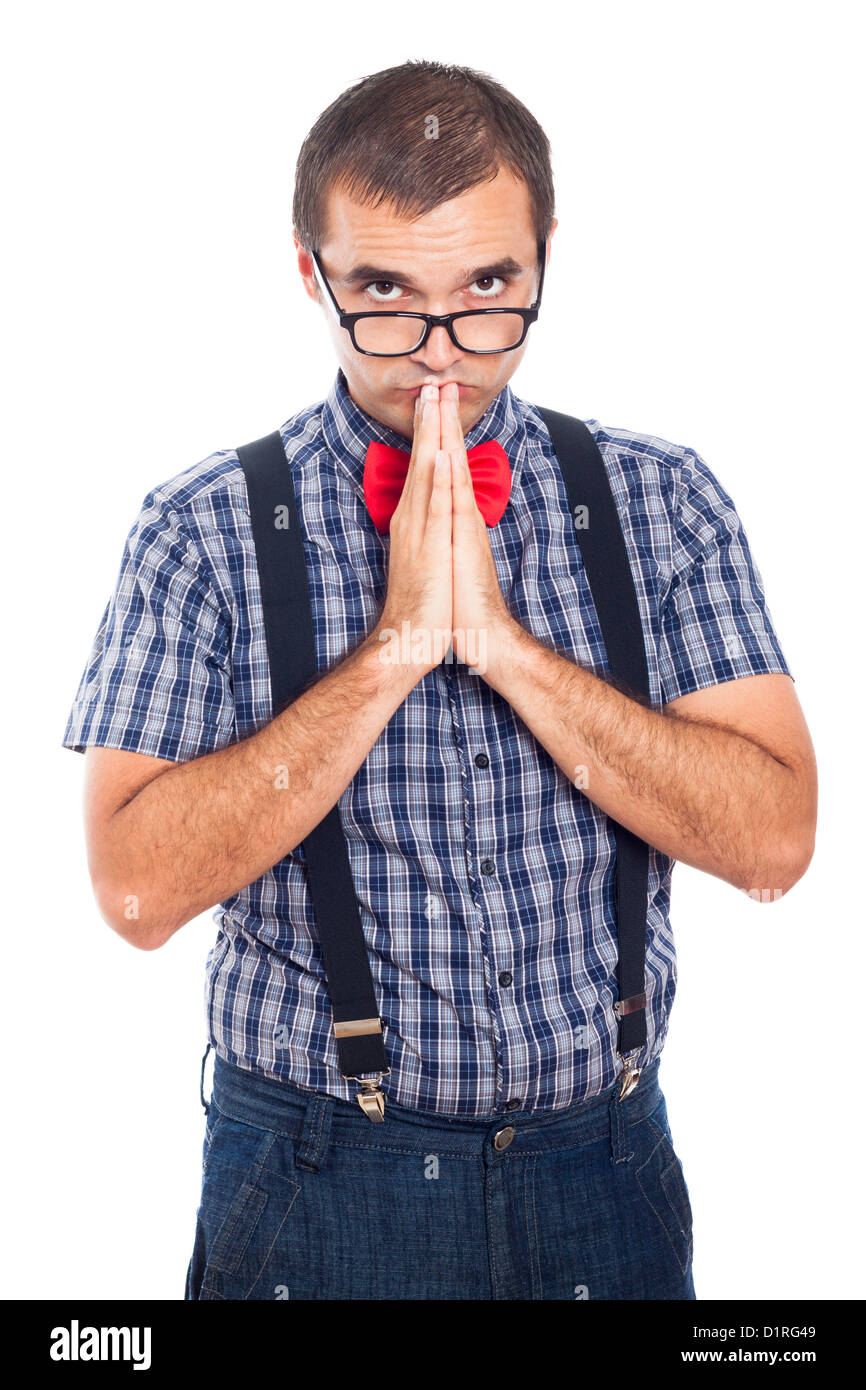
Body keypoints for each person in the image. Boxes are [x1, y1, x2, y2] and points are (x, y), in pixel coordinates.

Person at [62, 59, 817, 1301]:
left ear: (543, 260)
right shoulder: (198, 531)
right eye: (383, 292)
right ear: (310, 272)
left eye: (486, 288)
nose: (439, 352)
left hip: (606, 1174)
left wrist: (504, 646)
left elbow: (774, 844)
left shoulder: (662, 503)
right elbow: (135, 892)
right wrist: (396, 645)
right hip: (313, 1176)